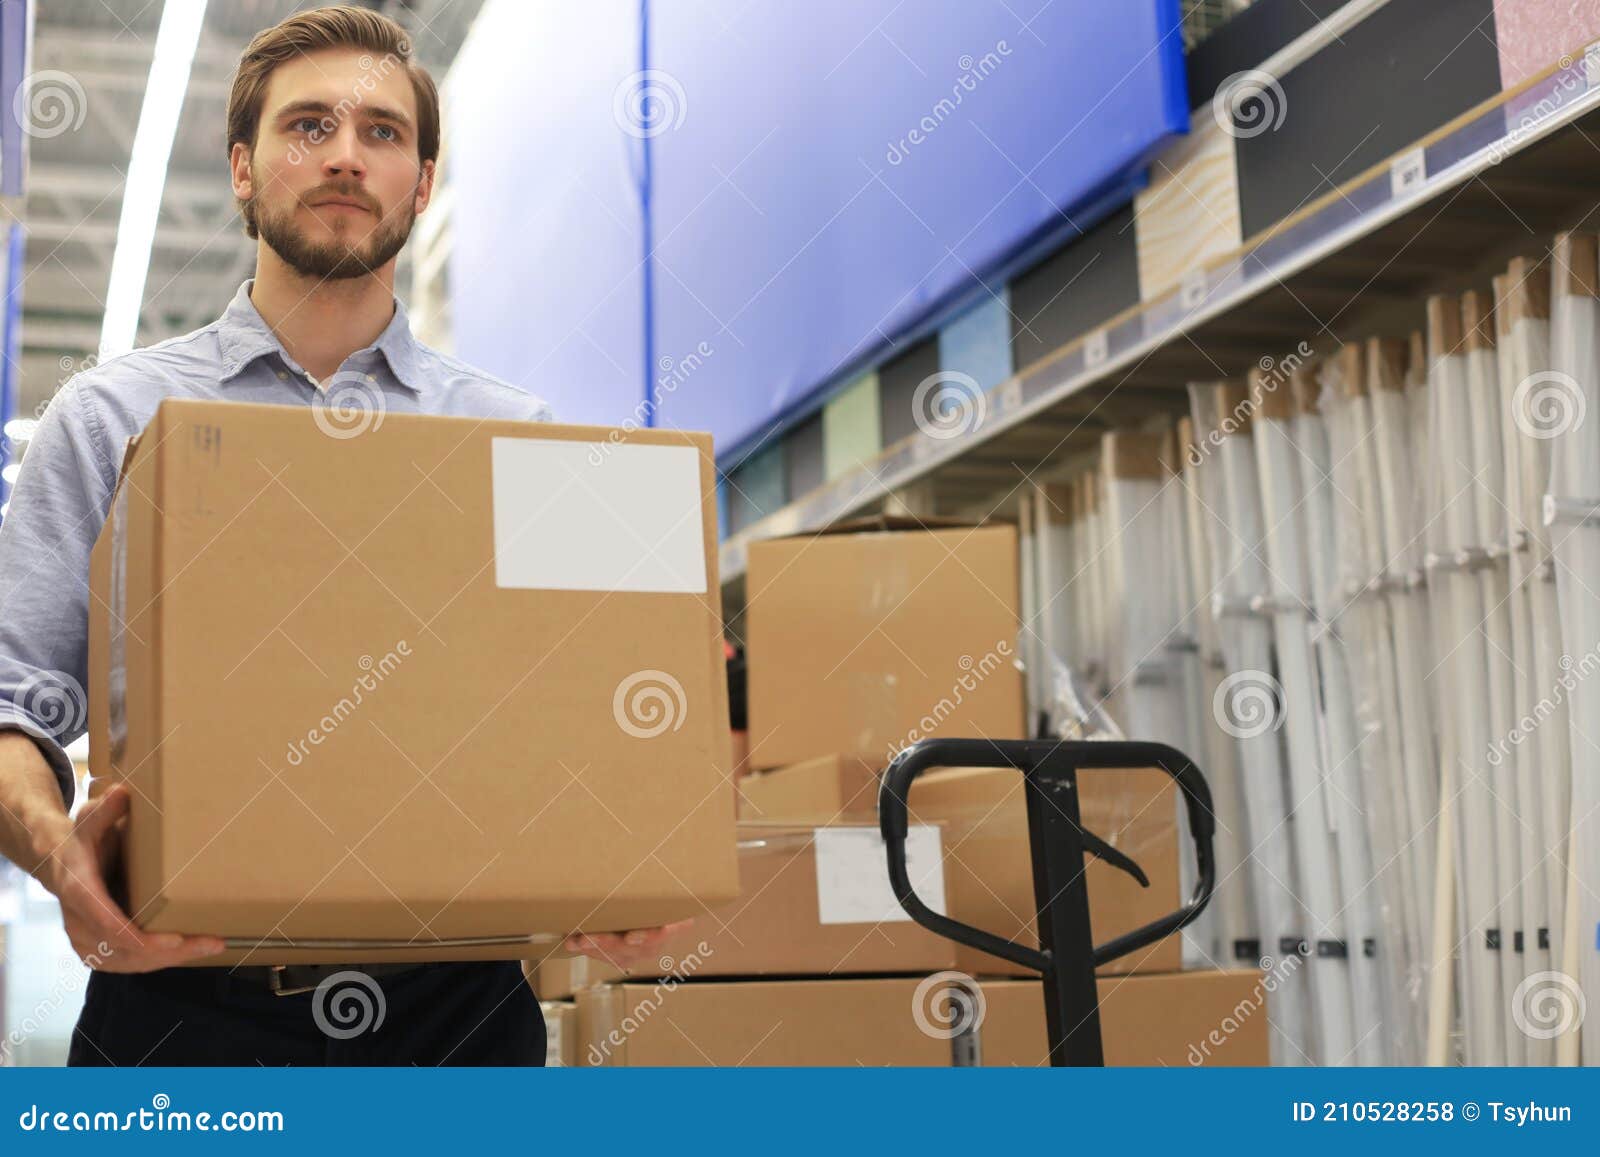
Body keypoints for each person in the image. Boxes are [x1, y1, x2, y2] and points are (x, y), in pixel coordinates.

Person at [0, 5, 682, 1066]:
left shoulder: (519, 438)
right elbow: (13, 706)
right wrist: (57, 853)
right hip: (180, 1006)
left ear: (423, 182)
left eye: (382, 132)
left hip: (458, 1020)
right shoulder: (109, 419)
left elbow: (596, 712)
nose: (346, 156)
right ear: (242, 168)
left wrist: (630, 860)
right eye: (309, 125)